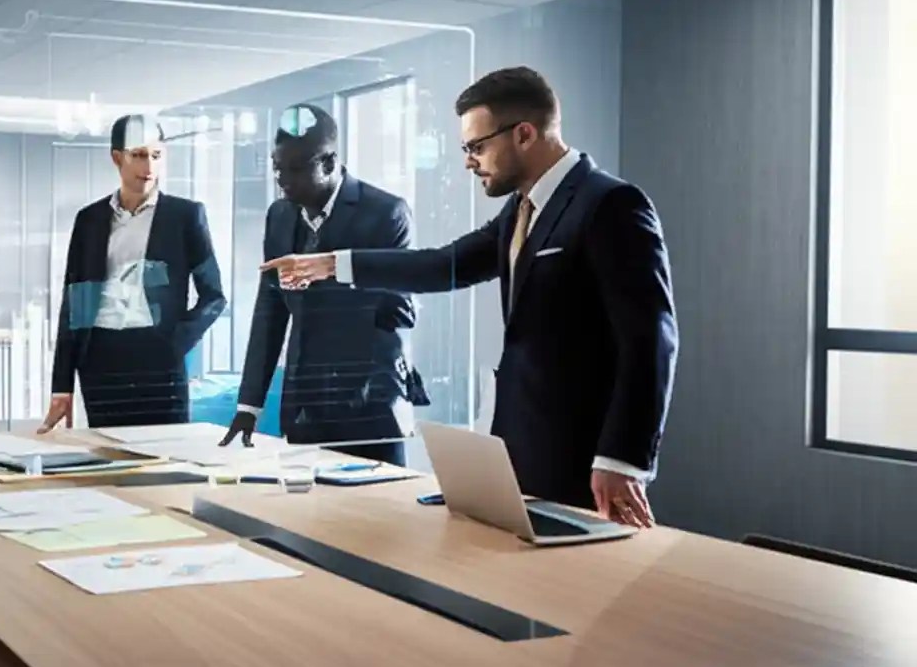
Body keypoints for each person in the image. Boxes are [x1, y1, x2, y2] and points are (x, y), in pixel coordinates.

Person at [262, 67, 678, 527]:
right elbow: (444, 264)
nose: (469, 161)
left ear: (523, 134)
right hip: (522, 449)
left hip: (585, 455)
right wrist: (331, 264)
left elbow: (650, 340)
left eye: (477, 147)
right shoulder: (520, 209)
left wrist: (622, 459)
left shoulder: (610, 204)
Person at [217, 104, 427, 466]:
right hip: (304, 410)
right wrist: (249, 404)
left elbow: (398, 312)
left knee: (379, 519)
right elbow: (270, 311)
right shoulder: (279, 215)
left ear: (329, 164)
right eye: (276, 167)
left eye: (295, 169)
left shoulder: (385, 213)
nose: (282, 179)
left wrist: (325, 272)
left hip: (368, 411)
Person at [39, 114, 225, 431]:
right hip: (101, 359)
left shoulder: (185, 216)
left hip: (158, 359)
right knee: (108, 459)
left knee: (165, 461)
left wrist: (174, 343)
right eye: (138, 155)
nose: (149, 167)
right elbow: (73, 303)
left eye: (156, 155)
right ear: (117, 158)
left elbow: (214, 296)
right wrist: (62, 385)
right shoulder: (90, 220)